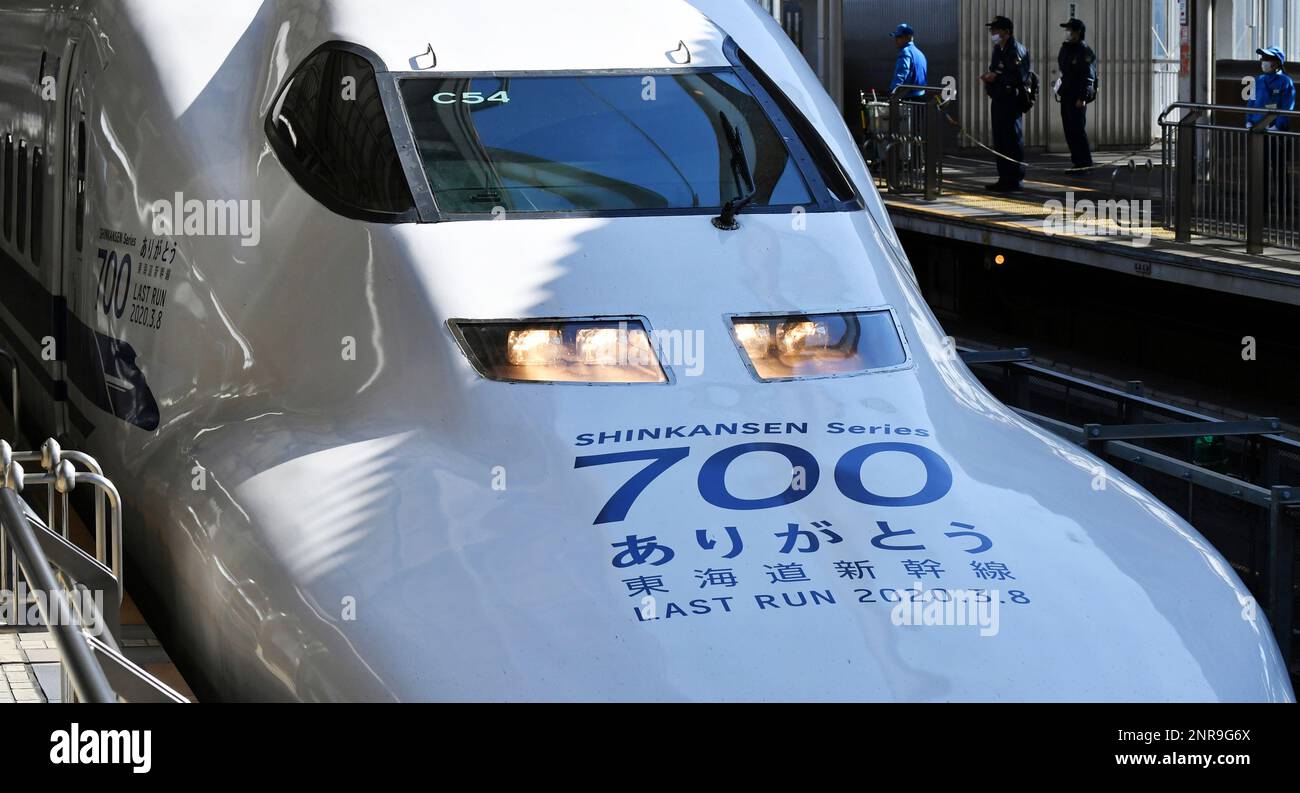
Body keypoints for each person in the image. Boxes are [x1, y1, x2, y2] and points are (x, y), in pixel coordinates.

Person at [981, 16, 1030, 191]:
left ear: (1006, 32)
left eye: (995, 29)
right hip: (999, 98)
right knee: (1000, 139)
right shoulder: (998, 49)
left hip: (1012, 100)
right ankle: (1004, 177)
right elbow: (996, 68)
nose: (992, 33)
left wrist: (997, 77)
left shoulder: (1016, 50)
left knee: (1012, 139)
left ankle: (1015, 178)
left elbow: (1019, 76)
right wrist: (990, 77)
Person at [1057, 18, 1097, 172]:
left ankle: (1085, 162)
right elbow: (1064, 71)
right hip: (1066, 95)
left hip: (1077, 97)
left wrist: (1083, 98)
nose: (1067, 32)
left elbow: (1088, 77)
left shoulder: (1084, 51)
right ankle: (1077, 161)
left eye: (1070, 30)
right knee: (1069, 129)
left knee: (1077, 130)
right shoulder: (1066, 48)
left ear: (1078, 32)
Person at [1247, 47, 1295, 131]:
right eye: (1263, 58)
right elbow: (1251, 103)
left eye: (1267, 58)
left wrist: (1278, 126)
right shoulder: (1258, 80)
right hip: (1257, 127)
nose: (1264, 61)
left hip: (1276, 131)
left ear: (1277, 62)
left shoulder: (1285, 82)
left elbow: (1287, 107)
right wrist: (1249, 121)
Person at [888, 23, 928, 98]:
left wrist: (893, 92)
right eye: (895, 37)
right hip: (921, 96)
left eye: (899, 37)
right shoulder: (920, 53)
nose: (896, 40)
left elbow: (901, 75)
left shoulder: (905, 52)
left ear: (909, 37)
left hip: (909, 98)